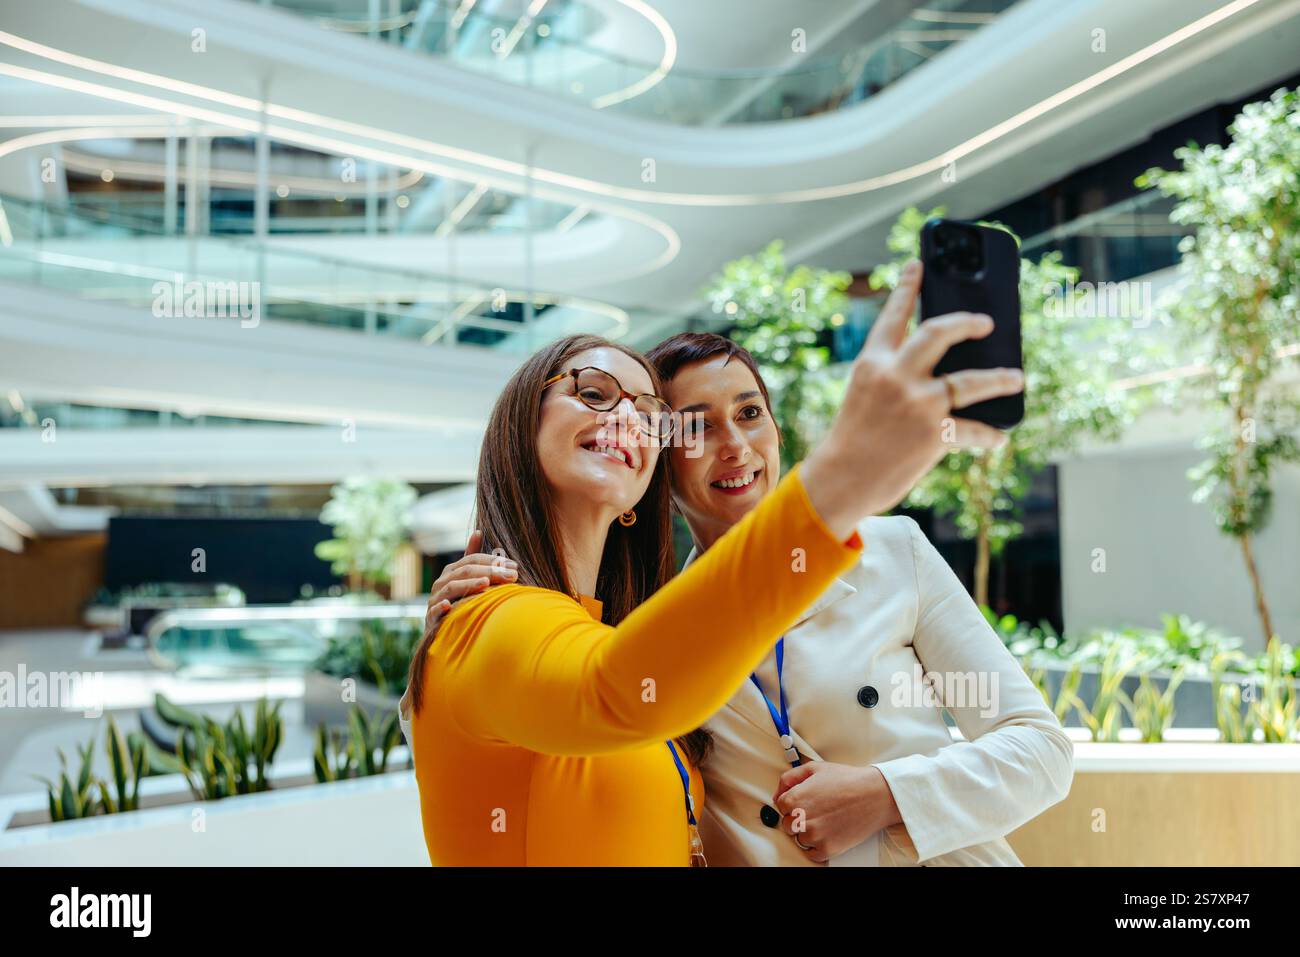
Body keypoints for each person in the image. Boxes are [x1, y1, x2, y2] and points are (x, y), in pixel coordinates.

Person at [402, 260, 1024, 865]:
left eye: (649, 416)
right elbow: (606, 693)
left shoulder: (622, 626)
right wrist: (843, 478)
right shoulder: (501, 623)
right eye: (592, 393)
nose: (627, 418)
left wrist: (888, 794)